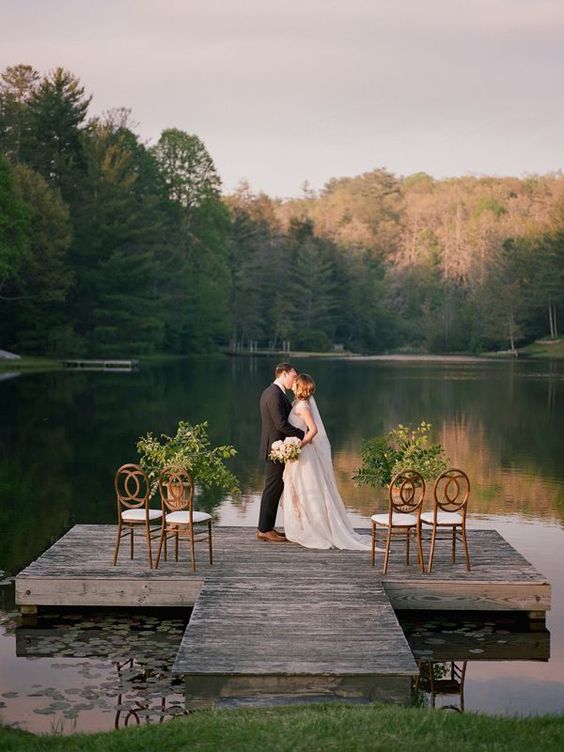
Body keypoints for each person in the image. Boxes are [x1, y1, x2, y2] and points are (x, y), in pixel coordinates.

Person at [281, 373, 371, 550]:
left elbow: (313, 430)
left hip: (304, 454)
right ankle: (301, 524)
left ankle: (313, 527)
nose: (293, 385)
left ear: (301, 387)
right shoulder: (298, 404)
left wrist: (299, 445)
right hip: (298, 454)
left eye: (296, 384)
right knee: (298, 489)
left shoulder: (304, 407)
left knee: (307, 490)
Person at [257, 363, 305, 542]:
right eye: (293, 376)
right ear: (283, 374)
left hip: (277, 448)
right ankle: (264, 529)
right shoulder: (274, 394)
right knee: (272, 488)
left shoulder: (272, 392)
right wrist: (303, 435)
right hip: (275, 449)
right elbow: (281, 424)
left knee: (275, 488)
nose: (295, 380)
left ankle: (268, 527)